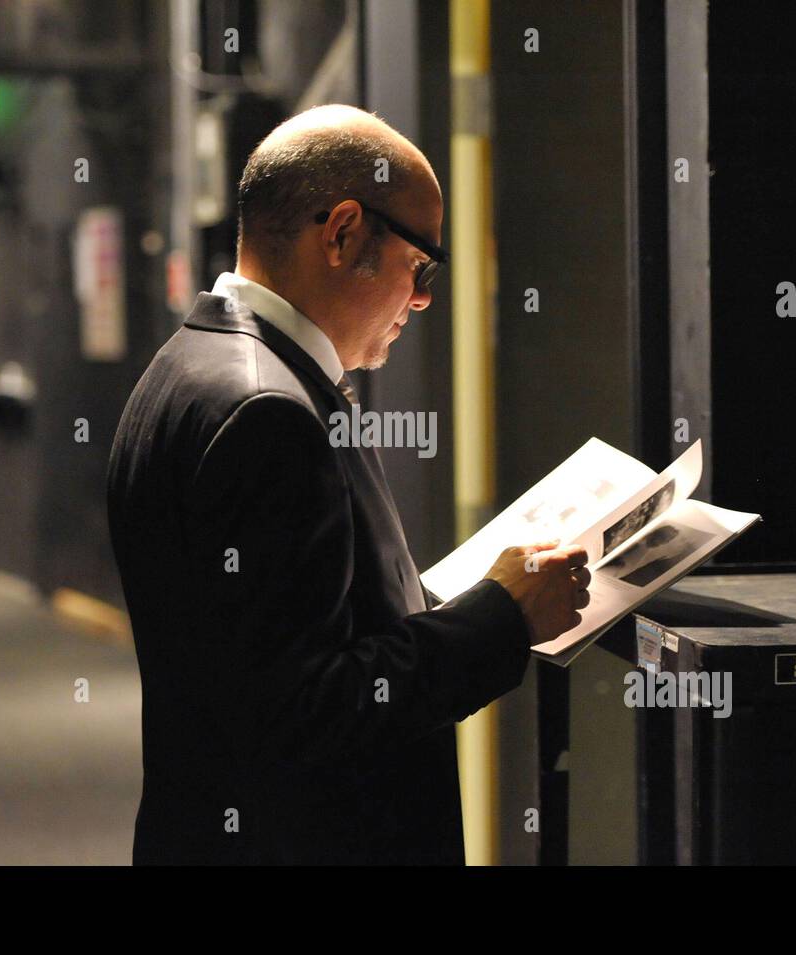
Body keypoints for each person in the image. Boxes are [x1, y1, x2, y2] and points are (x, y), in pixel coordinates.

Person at [106, 104, 589, 864]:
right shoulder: (268, 410)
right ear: (342, 233)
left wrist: (462, 603)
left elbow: (275, 646)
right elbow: (304, 712)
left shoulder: (187, 365)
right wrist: (502, 618)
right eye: (420, 263)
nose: (424, 297)